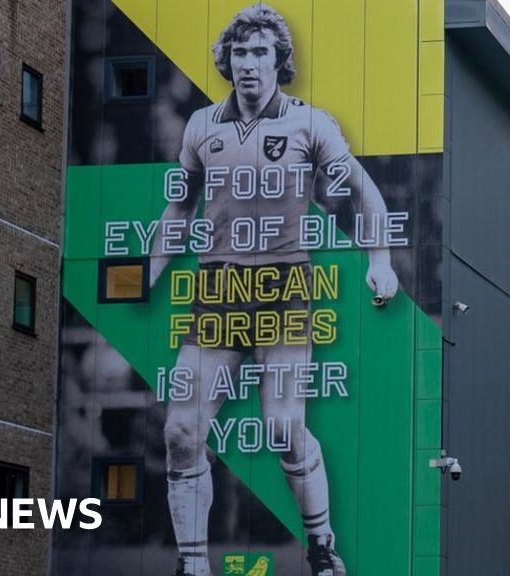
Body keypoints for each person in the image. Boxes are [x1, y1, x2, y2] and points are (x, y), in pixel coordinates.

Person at [149, 5, 399, 576]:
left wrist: (380, 260)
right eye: (239, 52)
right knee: (181, 431)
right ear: (227, 61)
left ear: (279, 60)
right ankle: (193, 565)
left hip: (285, 287)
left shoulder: (310, 123)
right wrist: (148, 272)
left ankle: (321, 545)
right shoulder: (202, 126)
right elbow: (179, 207)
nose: (248, 63)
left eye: (260, 52)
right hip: (218, 288)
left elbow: (365, 192)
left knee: (283, 429)